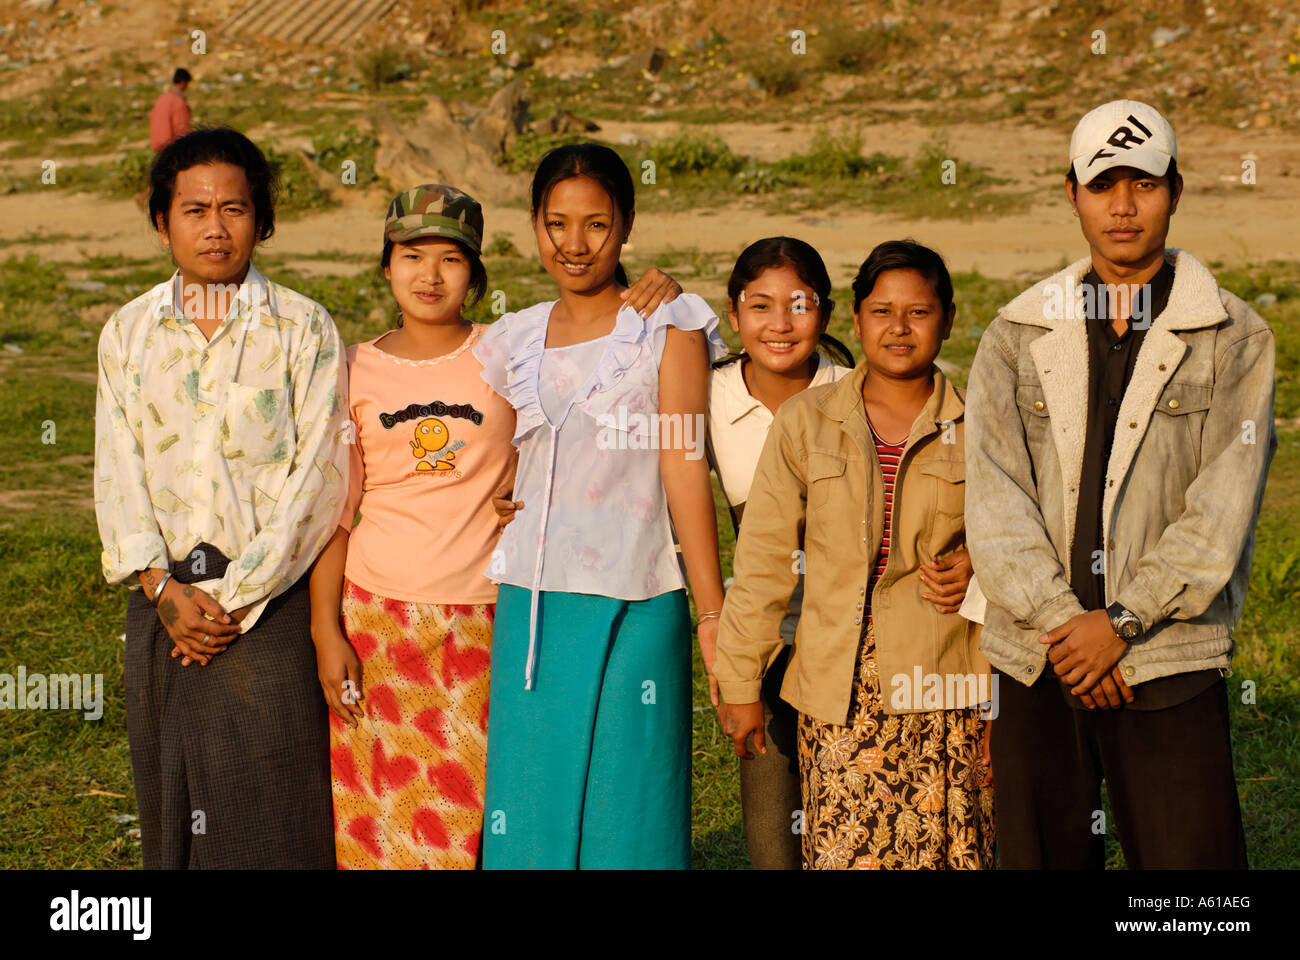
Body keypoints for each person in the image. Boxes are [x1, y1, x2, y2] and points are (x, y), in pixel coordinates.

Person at [964, 99, 1277, 869]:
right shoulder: (1017, 333)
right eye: (1106, 185)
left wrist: (1123, 622)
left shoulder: (1232, 337)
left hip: (1167, 658)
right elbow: (994, 495)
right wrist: (1068, 626)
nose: (1125, 206)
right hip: (1039, 658)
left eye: (1145, 183)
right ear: (1072, 193)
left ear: (1177, 189)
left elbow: (1220, 511)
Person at [93, 126, 349, 869]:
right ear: (161, 221)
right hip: (163, 605)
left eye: (234, 208)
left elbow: (320, 479)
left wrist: (236, 597)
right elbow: (119, 470)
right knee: (173, 807)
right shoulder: (129, 333)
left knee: (273, 817)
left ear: (262, 220)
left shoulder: (303, 329)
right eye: (194, 209)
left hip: (265, 610)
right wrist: (163, 588)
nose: (215, 227)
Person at [474, 143, 728, 869]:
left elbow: (685, 467)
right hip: (533, 602)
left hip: (635, 595)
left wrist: (711, 615)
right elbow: (506, 455)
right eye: (557, 224)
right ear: (533, 225)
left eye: (597, 224)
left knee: (629, 813)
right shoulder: (514, 336)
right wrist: (500, 491)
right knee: (529, 811)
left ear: (627, 225)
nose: (575, 244)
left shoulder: (668, 323)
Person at [715, 240, 992, 870]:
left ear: (947, 320)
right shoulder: (807, 422)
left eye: (918, 313)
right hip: (837, 688)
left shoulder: (983, 424)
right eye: (881, 312)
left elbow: (1021, 542)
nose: (898, 329)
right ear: (857, 320)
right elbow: (762, 560)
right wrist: (739, 681)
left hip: (946, 683)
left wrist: (976, 560)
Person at [307, 185, 517, 869]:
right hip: (378, 622)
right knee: (381, 816)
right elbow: (337, 513)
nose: (429, 276)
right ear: (387, 265)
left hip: (487, 621)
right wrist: (324, 631)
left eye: (450, 259)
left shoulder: (511, 355)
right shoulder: (354, 367)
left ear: (476, 273)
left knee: (470, 810)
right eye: (411, 256)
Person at [704, 236, 855, 870]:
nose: (781, 324)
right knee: (773, 848)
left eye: (800, 304)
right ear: (734, 316)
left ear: (825, 312)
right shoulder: (705, 397)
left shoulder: (858, 393)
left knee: (851, 826)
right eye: (760, 306)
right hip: (762, 647)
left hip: (852, 645)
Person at [150, 69, 193, 154]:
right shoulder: (178, 101)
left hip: (159, 146)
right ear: (183, 83)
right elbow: (182, 127)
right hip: (173, 148)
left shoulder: (161, 99)